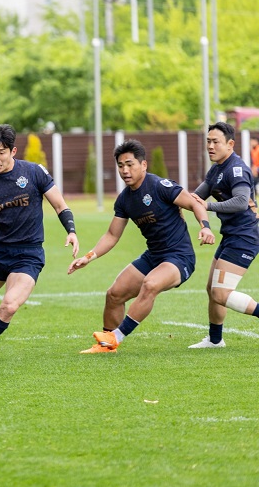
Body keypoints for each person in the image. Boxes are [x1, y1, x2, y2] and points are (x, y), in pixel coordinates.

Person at [68, 139, 215, 353]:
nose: (125, 170)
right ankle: (106, 347)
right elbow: (112, 234)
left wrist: (206, 226)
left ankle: (115, 338)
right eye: (120, 165)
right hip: (153, 256)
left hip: (179, 257)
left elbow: (194, 202)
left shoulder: (159, 186)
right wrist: (88, 257)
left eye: (130, 164)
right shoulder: (124, 200)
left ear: (143, 165)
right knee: (114, 294)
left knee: (150, 284)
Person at [0, 124, 80, 365]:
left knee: (9, 306)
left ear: (13, 151)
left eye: (1, 151)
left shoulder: (34, 173)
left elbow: (60, 205)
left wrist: (71, 231)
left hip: (28, 254)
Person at [188, 122, 259, 348]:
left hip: (245, 236)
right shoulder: (216, 169)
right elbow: (196, 198)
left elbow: (240, 202)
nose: (210, 146)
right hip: (231, 235)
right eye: (208, 141)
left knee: (221, 293)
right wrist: (170, 198)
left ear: (230, 144)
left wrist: (208, 208)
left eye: (215, 141)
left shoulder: (236, 169)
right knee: (212, 289)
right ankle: (215, 340)